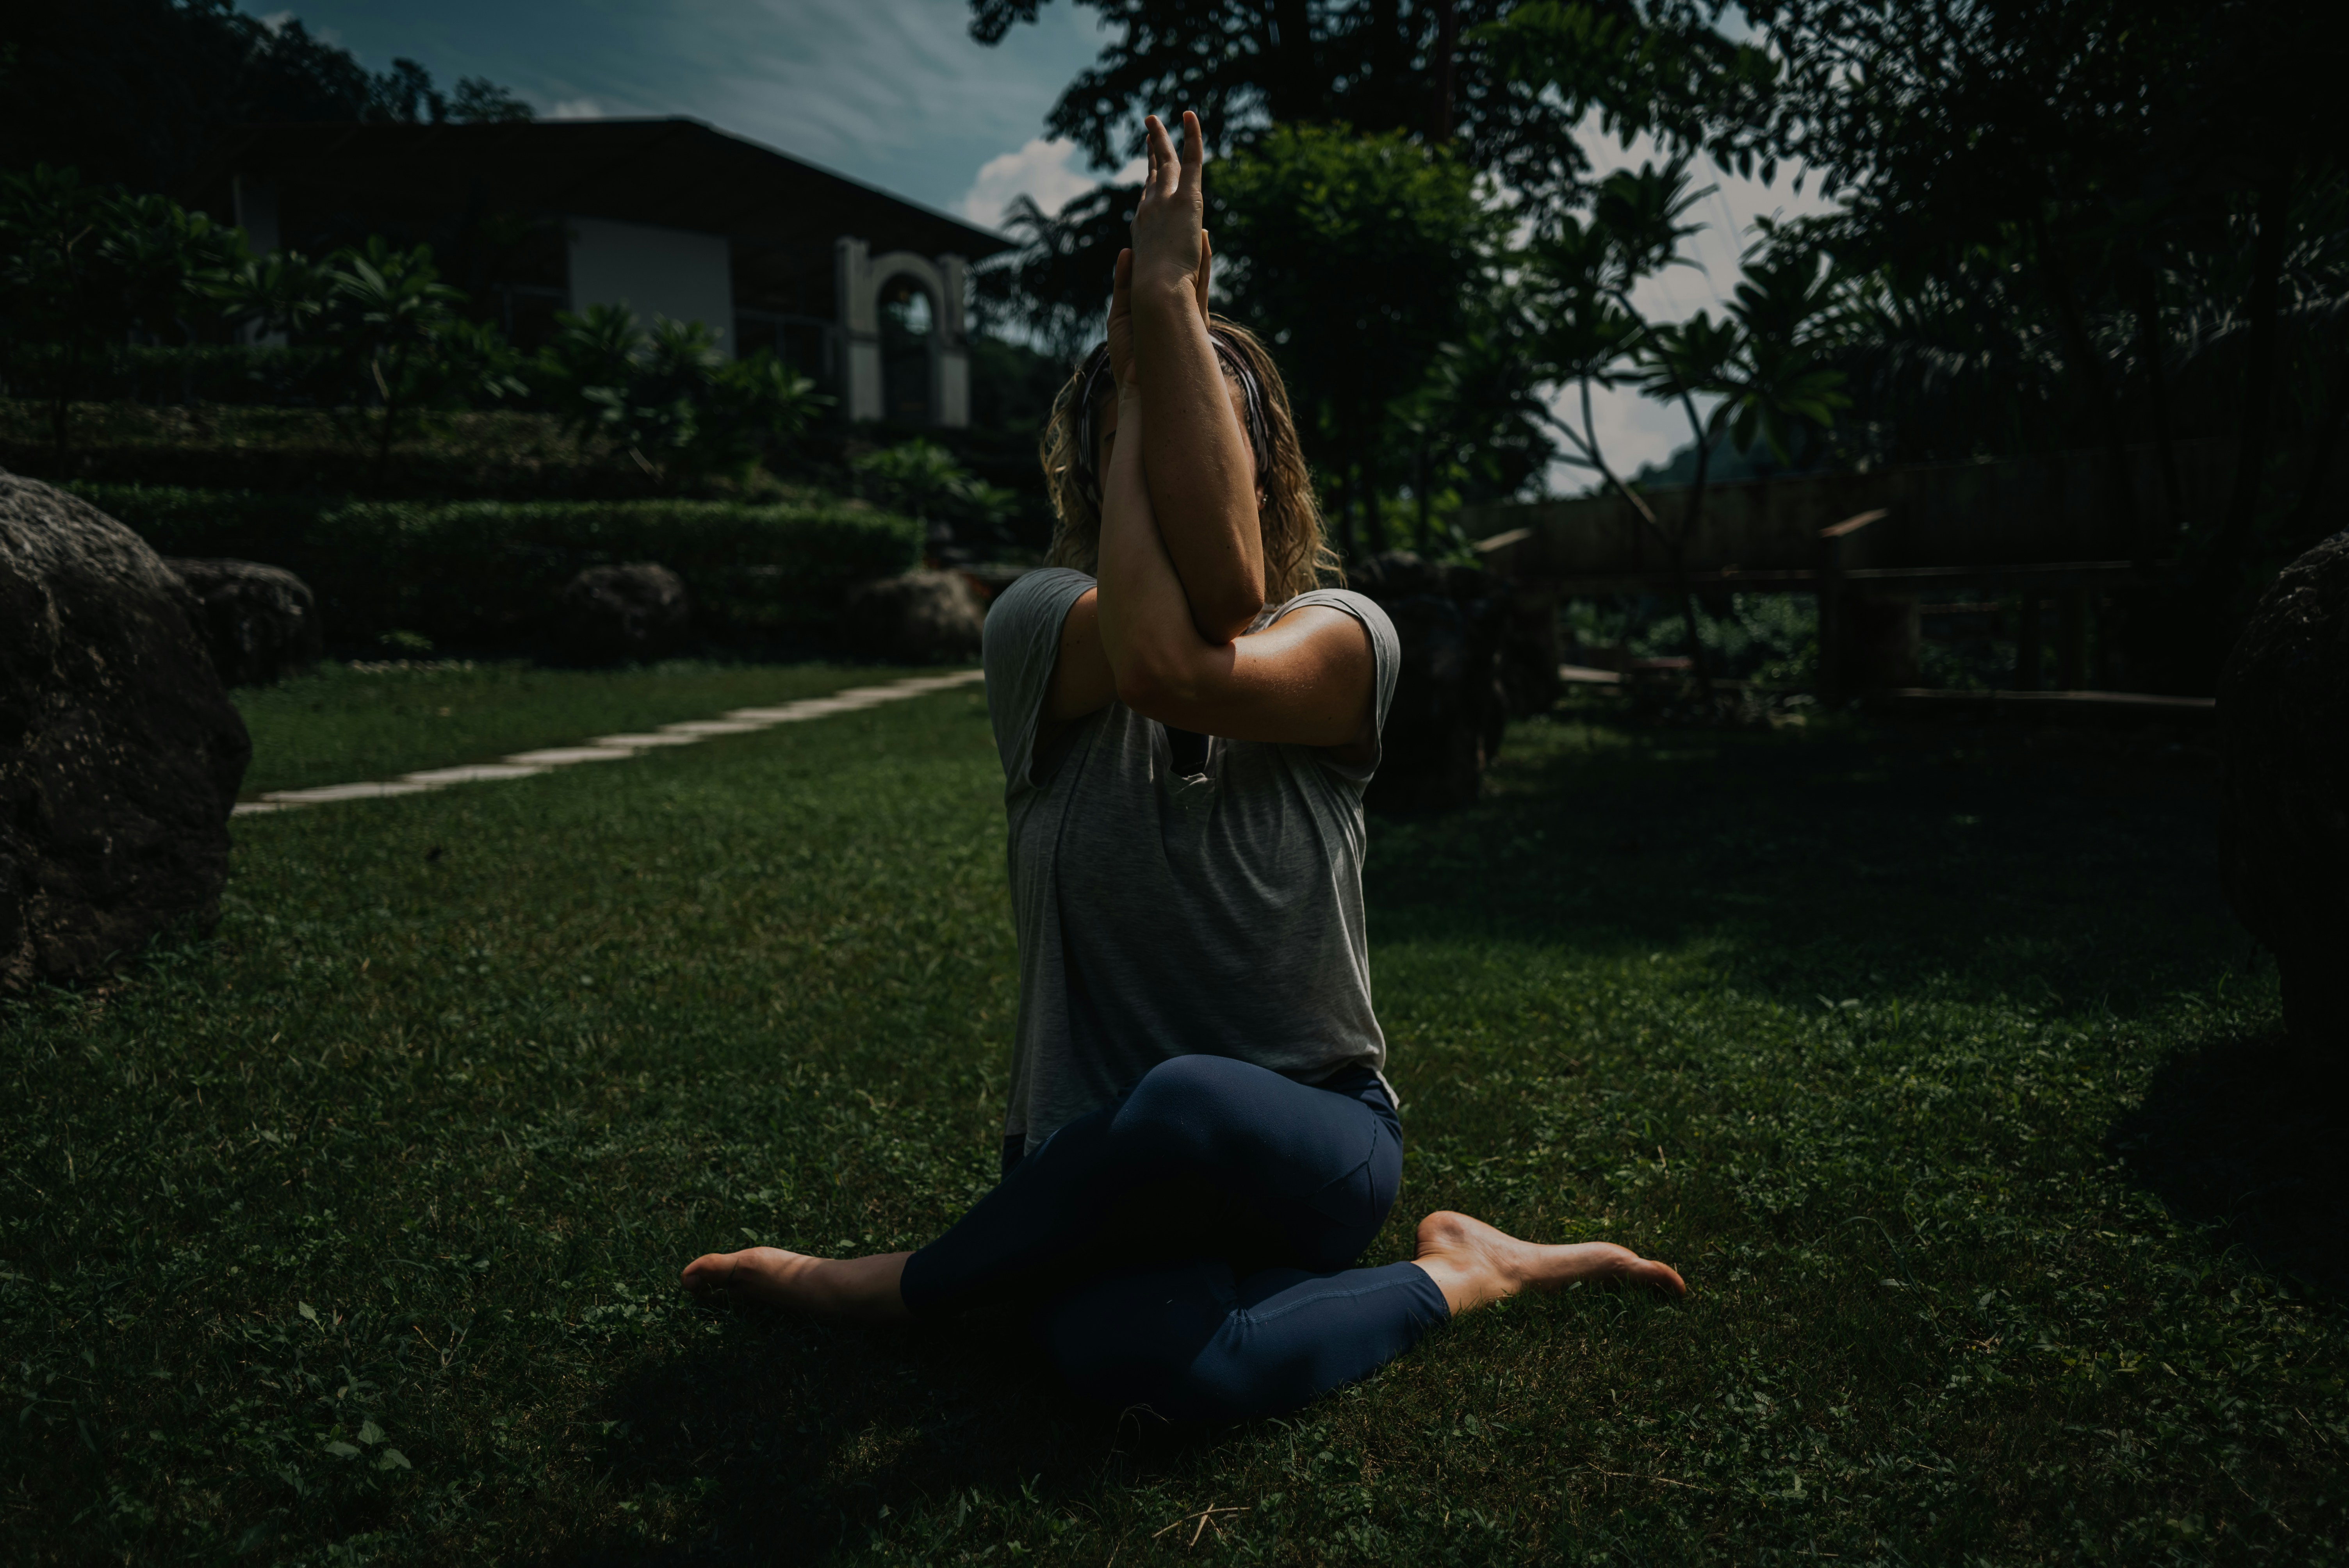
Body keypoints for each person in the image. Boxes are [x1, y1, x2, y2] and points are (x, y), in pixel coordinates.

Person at [683, 110, 1684, 1422]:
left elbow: (1207, 631)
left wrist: (1162, 307)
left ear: (1265, 456)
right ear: (1099, 457)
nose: (1162, 437)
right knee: (1143, 1373)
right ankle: (1469, 1271)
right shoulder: (1036, 626)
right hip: (1094, 1157)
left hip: (1308, 1146)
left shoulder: (1344, 637)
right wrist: (1154, 350)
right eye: (1135, 416)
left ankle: (888, 1286)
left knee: (1189, 1103)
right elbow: (1157, 641)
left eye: (1209, 411)